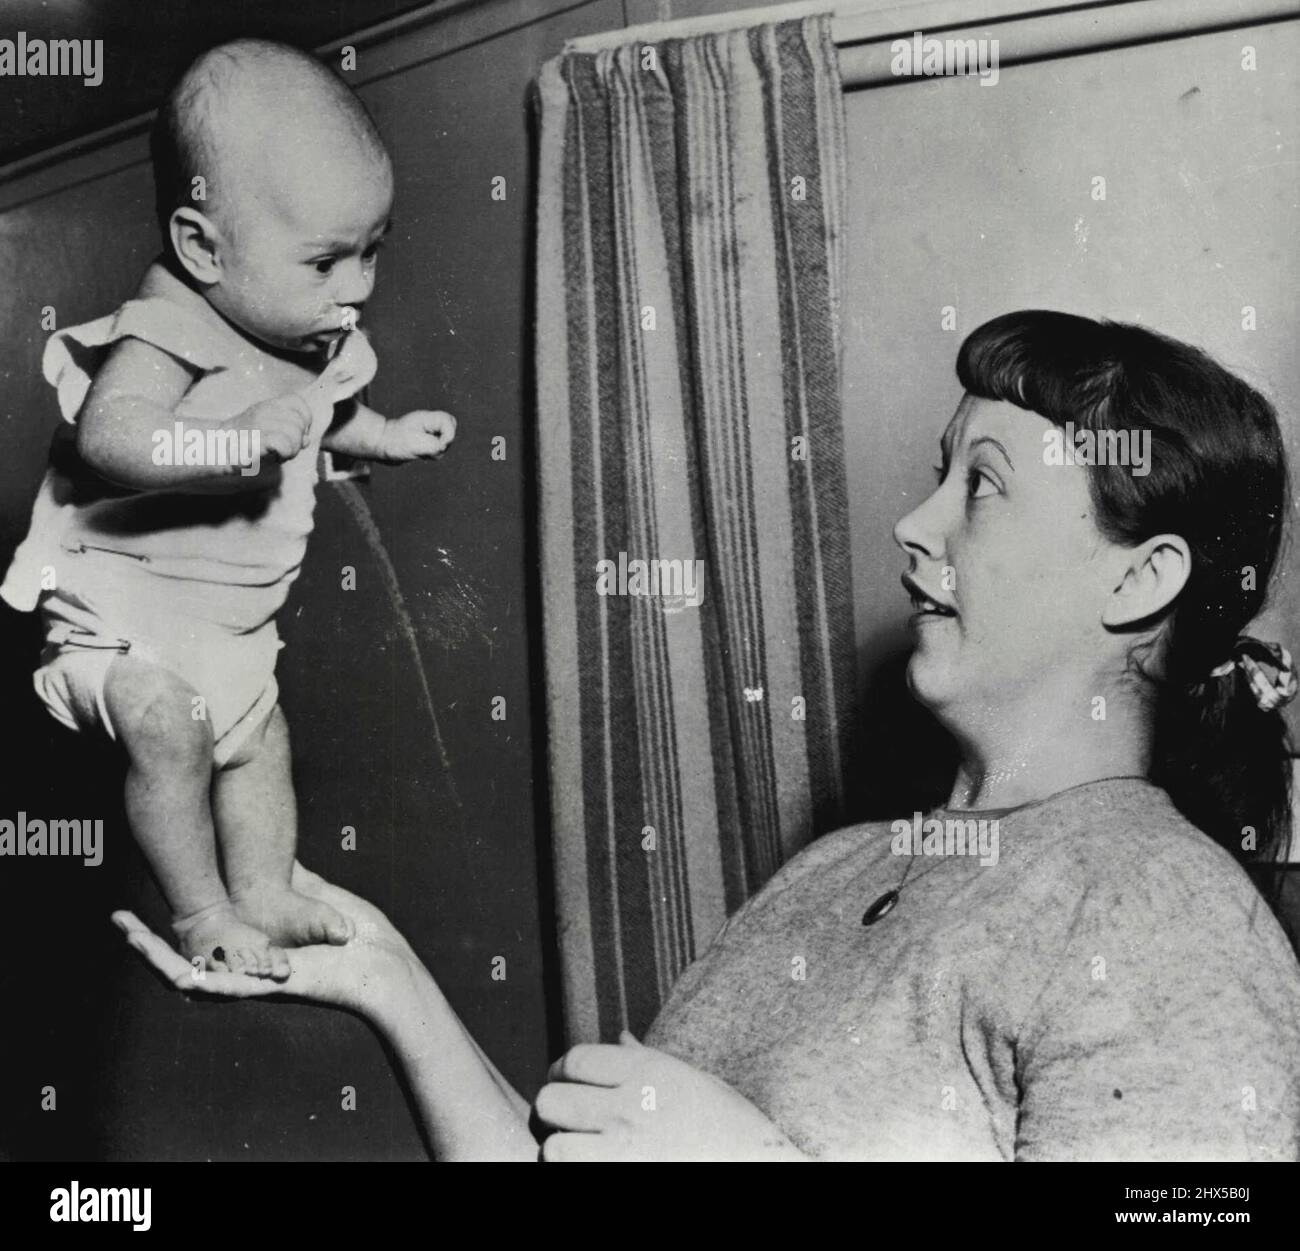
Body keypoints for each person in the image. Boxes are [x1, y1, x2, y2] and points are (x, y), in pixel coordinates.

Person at [114, 311, 1300, 1160]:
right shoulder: (832, 868)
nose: (911, 523)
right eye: (936, 474)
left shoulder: (1167, 919)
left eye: (980, 486)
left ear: (1139, 578)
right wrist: (388, 978)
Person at [2, 40, 457, 978]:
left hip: (233, 627)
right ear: (202, 247)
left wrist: (384, 434)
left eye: (373, 250)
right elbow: (110, 435)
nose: (359, 287)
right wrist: (232, 439)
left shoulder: (308, 334)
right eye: (327, 261)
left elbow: (326, 418)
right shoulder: (170, 327)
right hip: (121, 621)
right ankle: (202, 909)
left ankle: (263, 891)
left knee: (257, 746)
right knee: (172, 730)